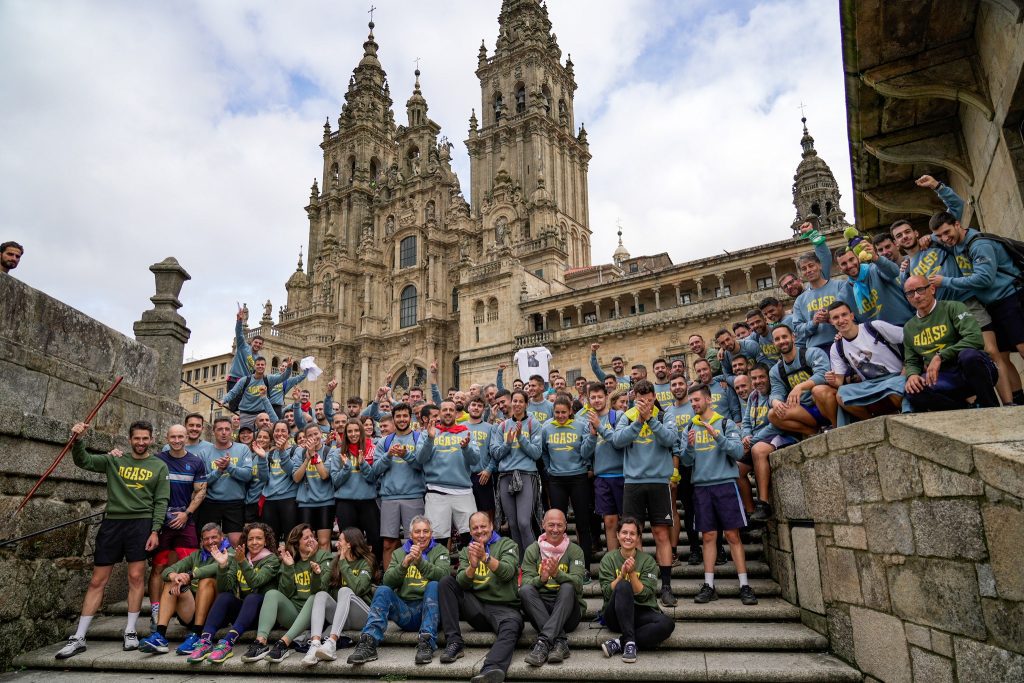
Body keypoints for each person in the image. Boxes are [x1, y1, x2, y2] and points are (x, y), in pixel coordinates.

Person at [56, 421, 170, 659]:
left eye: (145, 438)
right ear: (129, 439)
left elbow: (161, 501)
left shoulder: (159, 466)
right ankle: (79, 636)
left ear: (152, 439)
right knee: (98, 579)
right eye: (136, 438)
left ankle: (130, 631)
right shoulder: (114, 460)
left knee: (136, 576)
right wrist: (78, 439)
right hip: (113, 522)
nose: (141, 442)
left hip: (141, 524)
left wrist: (155, 530)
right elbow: (84, 461)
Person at [679, 384, 757, 606]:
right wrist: (690, 448)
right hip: (702, 487)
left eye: (696, 400)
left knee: (733, 536)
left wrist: (718, 437)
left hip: (725, 484)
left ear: (708, 400)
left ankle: (744, 585)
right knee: (708, 537)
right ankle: (709, 585)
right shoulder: (689, 428)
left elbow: (738, 451)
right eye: (691, 401)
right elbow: (686, 462)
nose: (693, 404)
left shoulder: (725, 423)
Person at [611, 380, 679, 608]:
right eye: (640, 400)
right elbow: (617, 441)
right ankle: (636, 583)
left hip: (659, 481)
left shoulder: (663, 415)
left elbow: (670, 439)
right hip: (633, 482)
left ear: (653, 397)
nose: (645, 404)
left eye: (648, 400)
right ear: (634, 399)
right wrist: (638, 422)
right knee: (634, 536)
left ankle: (666, 586)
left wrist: (650, 418)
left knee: (661, 533)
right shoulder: (627, 416)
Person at [347, 516, 449, 666]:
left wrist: (420, 562)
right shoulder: (399, 553)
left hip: (432, 611)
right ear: (410, 534)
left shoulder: (440, 551)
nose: (421, 535)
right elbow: (387, 581)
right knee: (382, 590)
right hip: (406, 611)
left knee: (434, 585)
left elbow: (444, 577)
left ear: (431, 534)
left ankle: (427, 642)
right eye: (417, 532)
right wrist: (404, 565)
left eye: (425, 531)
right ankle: (369, 642)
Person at [438, 512, 523, 683]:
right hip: (476, 608)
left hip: (504, 608)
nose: (479, 531)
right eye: (474, 528)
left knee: (514, 625)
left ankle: (491, 669)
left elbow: (507, 573)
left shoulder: (507, 544)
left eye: (483, 526)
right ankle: (454, 642)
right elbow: (462, 583)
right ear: (470, 531)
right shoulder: (466, 551)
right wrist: (473, 566)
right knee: (446, 582)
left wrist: (485, 558)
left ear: (491, 526)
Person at [901, 275, 1000, 411]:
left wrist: (940, 356)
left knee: (969, 356)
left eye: (920, 290)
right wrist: (912, 375)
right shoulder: (909, 327)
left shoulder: (953, 307)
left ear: (932, 289)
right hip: (942, 378)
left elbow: (975, 338)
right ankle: (962, 411)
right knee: (913, 391)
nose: (917, 296)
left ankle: (991, 407)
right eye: (911, 293)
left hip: (972, 370)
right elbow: (912, 360)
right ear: (907, 297)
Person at [188, 522, 280, 663]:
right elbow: (225, 587)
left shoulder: (272, 560)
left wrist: (242, 561)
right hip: (244, 614)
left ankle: (227, 643)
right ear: (245, 541)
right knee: (225, 596)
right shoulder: (240, 557)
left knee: (253, 597)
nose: (254, 542)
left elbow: (256, 582)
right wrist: (223, 566)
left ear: (266, 540)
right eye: (250, 539)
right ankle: (205, 641)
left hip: (262, 616)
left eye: (259, 538)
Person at [240, 524, 332, 663]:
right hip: (294, 615)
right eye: (306, 538)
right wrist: (289, 568)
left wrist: (314, 560)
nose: (311, 540)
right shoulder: (290, 560)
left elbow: (321, 589)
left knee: (315, 597)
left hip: (316, 617)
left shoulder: (325, 557)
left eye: (312, 537)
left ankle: (283, 644)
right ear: (296, 542)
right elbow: (285, 593)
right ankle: (260, 643)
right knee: (272, 593)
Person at [149, 424, 208, 631]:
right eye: (173, 437)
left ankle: (191, 612)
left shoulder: (196, 461)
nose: (176, 440)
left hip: (185, 521)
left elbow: (201, 492)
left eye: (180, 437)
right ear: (167, 438)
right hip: (161, 522)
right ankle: (156, 611)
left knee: (191, 567)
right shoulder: (157, 459)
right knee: (158, 566)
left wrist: (186, 514)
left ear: (186, 438)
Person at [139, 522, 226, 655]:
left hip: (217, 612)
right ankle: (160, 636)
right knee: (171, 582)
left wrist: (190, 575)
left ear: (222, 538)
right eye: (206, 539)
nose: (210, 541)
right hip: (194, 610)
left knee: (206, 581)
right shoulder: (196, 556)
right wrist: (175, 576)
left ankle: (197, 635)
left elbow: (213, 568)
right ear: (202, 541)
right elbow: (166, 571)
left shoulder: (229, 552)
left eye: (214, 537)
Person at [598, 517, 675, 664]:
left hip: (640, 611)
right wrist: (621, 575)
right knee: (623, 585)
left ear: (638, 537)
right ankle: (629, 642)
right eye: (624, 532)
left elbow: (646, 595)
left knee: (667, 624)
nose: (628, 537)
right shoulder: (608, 559)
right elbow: (607, 593)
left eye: (632, 534)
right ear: (618, 535)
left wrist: (632, 574)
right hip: (615, 614)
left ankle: (623, 642)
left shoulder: (648, 561)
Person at [293, 528, 375, 664]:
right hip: (341, 618)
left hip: (362, 615)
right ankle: (314, 645)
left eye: (340, 541)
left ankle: (331, 643)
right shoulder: (335, 562)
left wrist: (343, 563)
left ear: (349, 544)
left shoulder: (366, 562)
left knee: (344, 591)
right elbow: (318, 589)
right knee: (320, 595)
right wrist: (317, 575)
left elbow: (358, 589)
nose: (337, 544)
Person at [520, 509, 587, 666]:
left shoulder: (575, 550)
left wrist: (557, 574)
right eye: (551, 525)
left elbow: (578, 584)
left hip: (568, 612)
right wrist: (541, 578)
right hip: (541, 610)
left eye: (559, 525)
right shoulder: (533, 550)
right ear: (543, 525)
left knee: (568, 587)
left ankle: (543, 643)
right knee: (525, 591)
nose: (555, 529)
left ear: (565, 527)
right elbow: (525, 583)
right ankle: (559, 642)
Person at [825, 301, 907, 421]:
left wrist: (907, 366)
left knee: (895, 387)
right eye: (836, 317)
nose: (841, 320)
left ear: (852, 316)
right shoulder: (836, 347)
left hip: (895, 376)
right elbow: (839, 382)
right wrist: (832, 380)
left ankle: (904, 416)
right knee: (841, 395)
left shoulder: (875, 327)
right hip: (870, 384)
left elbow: (909, 338)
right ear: (831, 322)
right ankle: (873, 422)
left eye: (844, 315)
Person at [539, 395, 595, 572]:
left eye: (564, 412)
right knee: (557, 524)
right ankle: (558, 564)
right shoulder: (546, 427)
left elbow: (586, 453)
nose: (561, 416)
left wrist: (592, 437)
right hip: (556, 479)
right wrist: (548, 468)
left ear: (570, 411)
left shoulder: (580, 425)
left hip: (578, 477)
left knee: (582, 523)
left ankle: (584, 566)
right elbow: (544, 452)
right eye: (557, 412)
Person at [414, 399, 479, 551]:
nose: (448, 412)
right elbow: (420, 459)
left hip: (463, 492)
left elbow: (475, 460)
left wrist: (466, 448)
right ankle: (439, 572)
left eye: (451, 409)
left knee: (471, 536)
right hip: (437, 492)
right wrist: (430, 439)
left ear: (456, 413)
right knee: (438, 538)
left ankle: (468, 571)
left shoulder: (466, 432)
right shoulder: (428, 433)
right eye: (445, 410)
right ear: (439, 414)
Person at [372, 402, 426, 570]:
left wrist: (406, 455)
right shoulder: (384, 442)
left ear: (411, 418)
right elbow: (375, 470)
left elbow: (422, 465)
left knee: (417, 542)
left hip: (414, 496)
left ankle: (416, 579)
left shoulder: (419, 438)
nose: (402, 419)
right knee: (388, 543)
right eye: (398, 416)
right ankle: (389, 581)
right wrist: (388, 455)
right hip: (389, 498)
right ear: (393, 419)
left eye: (405, 416)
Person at [489, 390, 544, 554]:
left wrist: (521, 438)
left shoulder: (534, 424)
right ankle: (520, 564)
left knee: (524, 523)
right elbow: (496, 453)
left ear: (527, 404)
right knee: (512, 524)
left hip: (526, 475)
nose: (517, 404)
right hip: (505, 476)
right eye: (515, 401)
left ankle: (533, 562)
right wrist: (508, 443)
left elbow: (536, 453)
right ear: (511, 402)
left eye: (521, 401)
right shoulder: (503, 426)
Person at [741, 365, 791, 524]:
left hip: (778, 436)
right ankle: (750, 512)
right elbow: (746, 421)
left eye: (761, 377)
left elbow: (776, 424)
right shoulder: (753, 396)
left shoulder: (775, 394)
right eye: (754, 378)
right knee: (735, 469)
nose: (758, 381)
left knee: (758, 450)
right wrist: (746, 436)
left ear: (768, 377)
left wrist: (753, 441)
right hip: (756, 438)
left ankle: (763, 504)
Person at [767, 324, 837, 436]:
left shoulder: (812, 353)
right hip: (805, 411)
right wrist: (775, 402)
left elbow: (823, 374)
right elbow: (776, 392)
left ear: (793, 337)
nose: (781, 341)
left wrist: (800, 387)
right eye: (777, 339)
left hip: (826, 402)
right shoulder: (775, 370)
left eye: (784, 337)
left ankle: (837, 427)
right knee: (773, 414)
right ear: (773, 343)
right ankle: (813, 432)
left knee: (818, 390)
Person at [580, 381, 626, 553]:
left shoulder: (618, 416)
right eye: (593, 397)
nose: (597, 400)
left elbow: (619, 443)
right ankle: (613, 562)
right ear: (588, 399)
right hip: (602, 478)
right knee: (609, 522)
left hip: (621, 475)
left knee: (626, 522)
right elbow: (584, 453)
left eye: (600, 397)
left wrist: (600, 427)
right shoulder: (587, 421)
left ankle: (629, 562)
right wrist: (592, 435)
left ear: (607, 397)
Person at [331, 421, 383, 565]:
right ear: (346, 435)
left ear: (361, 432)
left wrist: (363, 464)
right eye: (350, 432)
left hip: (368, 501)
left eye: (356, 431)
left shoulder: (371, 450)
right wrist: (347, 467)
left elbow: (373, 478)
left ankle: (372, 569)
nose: (353, 434)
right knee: (348, 541)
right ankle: (350, 570)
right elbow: (336, 481)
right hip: (346, 503)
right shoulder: (338, 453)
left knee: (375, 538)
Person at [195, 416, 253, 546]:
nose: (224, 432)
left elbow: (248, 475)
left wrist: (229, 467)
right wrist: (219, 472)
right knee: (209, 541)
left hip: (235, 502)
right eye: (220, 429)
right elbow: (201, 482)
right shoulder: (204, 453)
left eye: (227, 429)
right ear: (213, 432)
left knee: (236, 542)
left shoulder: (242, 449)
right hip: (211, 502)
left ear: (232, 431)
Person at [791, 226, 846, 352]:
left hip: (843, 341)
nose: (808, 270)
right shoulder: (800, 300)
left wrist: (831, 316)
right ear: (801, 274)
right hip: (817, 350)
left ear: (820, 265)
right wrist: (814, 322)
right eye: (804, 269)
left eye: (811, 266)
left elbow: (852, 312)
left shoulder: (840, 286)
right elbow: (798, 329)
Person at [835, 245, 914, 325]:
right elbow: (852, 324)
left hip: (905, 327)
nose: (849, 265)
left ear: (858, 258)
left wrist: (876, 258)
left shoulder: (876, 268)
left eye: (851, 259)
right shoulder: (843, 295)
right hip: (877, 336)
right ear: (840, 268)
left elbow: (895, 272)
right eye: (844, 264)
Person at [293, 424, 336, 550]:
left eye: (315, 434)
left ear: (321, 433)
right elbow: (296, 478)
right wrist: (307, 459)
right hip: (305, 503)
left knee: (323, 542)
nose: (313, 437)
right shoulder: (299, 453)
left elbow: (324, 475)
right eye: (309, 435)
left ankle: (325, 568)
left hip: (325, 501)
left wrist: (314, 455)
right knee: (307, 542)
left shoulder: (329, 451)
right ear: (305, 438)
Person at [221, 356, 291, 430]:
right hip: (246, 414)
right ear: (254, 366)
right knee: (246, 436)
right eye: (258, 364)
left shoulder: (269, 379)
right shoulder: (245, 380)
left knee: (262, 436)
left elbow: (284, 377)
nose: (260, 366)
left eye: (262, 364)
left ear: (265, 366)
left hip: (261, 414)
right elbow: (233, 392)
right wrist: (224, 400)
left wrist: (289, 368)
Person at [259, 420, 300, 542]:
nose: (280, 433)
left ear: (288, 433)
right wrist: (261, 458)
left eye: (283, 430)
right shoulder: (269, 453)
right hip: (270, 500)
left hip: (288, 499)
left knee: (290, 538)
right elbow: (263, 478)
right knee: (271, 539)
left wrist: (282, 452)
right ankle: (272, 561)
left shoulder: (296, 450)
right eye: (277, 430)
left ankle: (290, 561)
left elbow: (291, 473)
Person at [465, 397, 497, 522]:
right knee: (468, 514)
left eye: (479, 405)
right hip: (464, 477)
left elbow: (494, 453)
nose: (476, 407)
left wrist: (489, 470)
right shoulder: (460, 427)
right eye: (473, 404)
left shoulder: (490, 428)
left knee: (486, 513)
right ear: (468, 407)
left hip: (483, 475)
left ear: (483, 409)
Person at [227, 307, 265, 391]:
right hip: (235, 379)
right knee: (234, 403)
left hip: (246, 383)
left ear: (262, 346)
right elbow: (239, 333)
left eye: (260, 343)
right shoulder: (243, 346)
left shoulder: (258, 359)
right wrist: (239, 321)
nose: (257, 344)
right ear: (251, 342)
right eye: (256, 342)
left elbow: (257, 373)